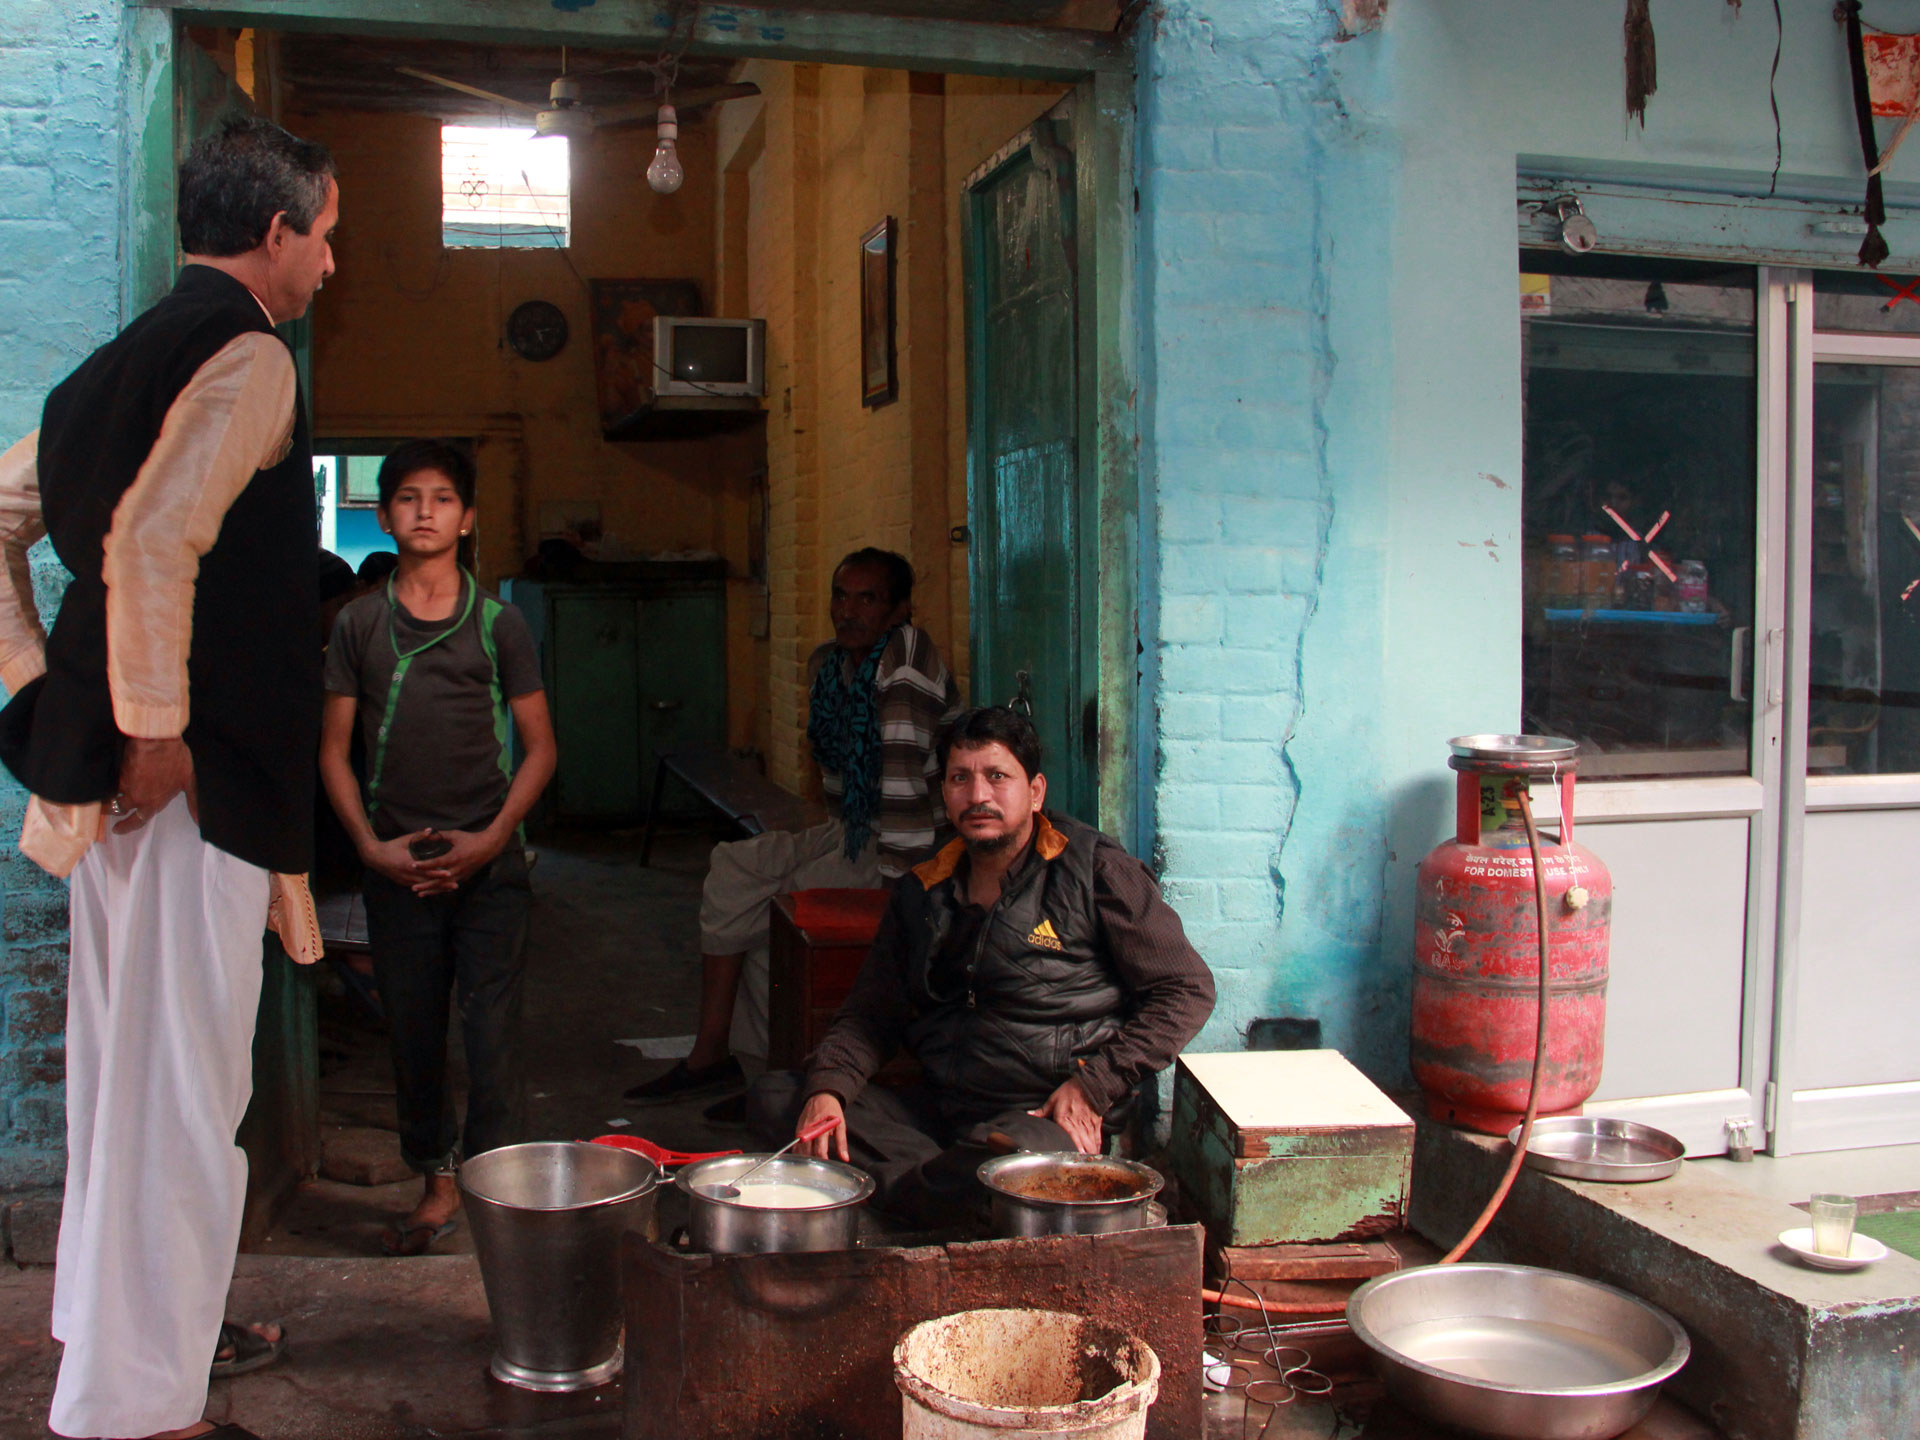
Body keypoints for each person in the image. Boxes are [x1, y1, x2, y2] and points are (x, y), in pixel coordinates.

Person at [0, 114, 336, 1440]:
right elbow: (152, 543)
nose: (328, 265)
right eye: (324, 237)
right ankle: (140, 1410)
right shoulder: (247, 354)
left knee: (127, 1077)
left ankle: (112, 1344)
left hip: (130, 783)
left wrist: (39, 692)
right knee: (187, 1099)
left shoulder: (107, 369)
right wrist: (152, 731)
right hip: (188, 789)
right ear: (274, 233)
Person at [748, 706, 1216, 1226]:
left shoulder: (1095, 870)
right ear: (945, 793)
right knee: (782, 1099)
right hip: (942, 1113)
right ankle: (951, 1196)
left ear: (1035, 792)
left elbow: (1186, 989)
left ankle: (919, 1194)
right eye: (960, 779)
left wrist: (1094, 1087)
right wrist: (829, 1089)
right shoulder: (922, 890)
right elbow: (870, 1014)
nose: (978, 796)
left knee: (1011, 1158)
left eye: (997, 777)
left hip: (1042, 1118)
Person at [319, 441, 556, 1256]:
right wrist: (372, 849)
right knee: (415, 1032)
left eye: (444, 497)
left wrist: (491, 843)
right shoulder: (358, 624)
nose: (425, 510)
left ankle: (493, 1184)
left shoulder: (500, 626)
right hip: (398, 867)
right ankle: (435, 1182)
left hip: (491, 868)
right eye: (409, 498)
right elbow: (332, 752)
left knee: (492, 1036)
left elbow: (540, 749)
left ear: (468, 518)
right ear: (384, 515)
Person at [624, 548, 962, 1110]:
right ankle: (715, 1055)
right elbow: (834, 781)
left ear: (899, 610)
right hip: (857, 828)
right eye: (840, 596)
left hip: (916, 847)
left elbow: (905, 790)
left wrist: (891, 904)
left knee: (783, 914)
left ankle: (772, 1083)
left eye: (868, 598)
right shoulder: (833, 666)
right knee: (735, 871)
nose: (848, 610)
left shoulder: (903, 666)